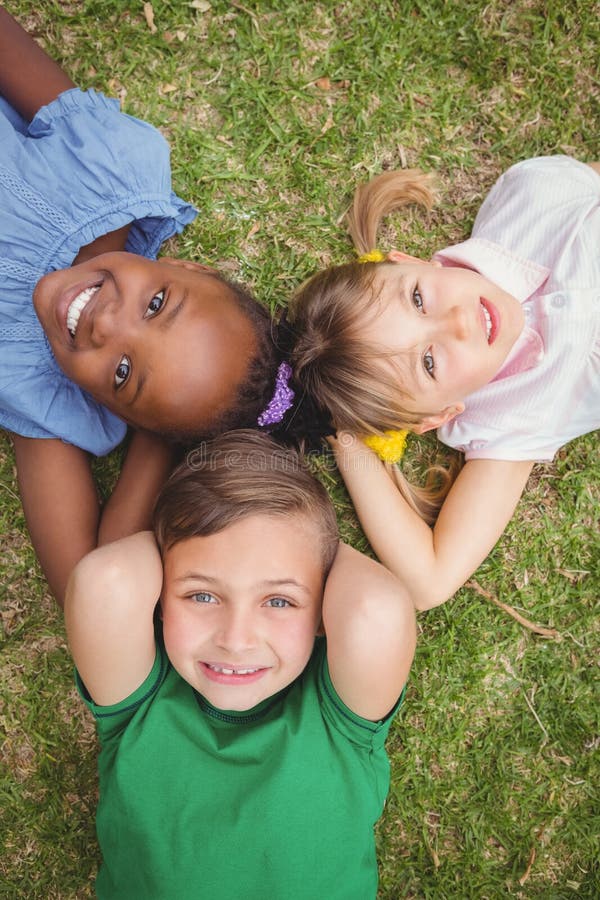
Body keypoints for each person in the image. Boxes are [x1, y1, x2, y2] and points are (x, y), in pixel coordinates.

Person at [64, 429, 416, 899]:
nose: (235, 640)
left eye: (279, 601)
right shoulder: (138, 706)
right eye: (202, 595)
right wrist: (178, 537)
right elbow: (105, 581)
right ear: (160, 596)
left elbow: (377, 609)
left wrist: (313, 542)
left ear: (323, 610)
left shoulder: (339, 723)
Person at [0, 8, 277, 604]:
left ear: (108, 407)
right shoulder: (107, 175)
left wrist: (163, 433)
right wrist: (151, 407)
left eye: (125, 373)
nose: (106, 323)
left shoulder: (36, 386)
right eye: (156, 304)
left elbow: (87, 589)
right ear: (188, 267)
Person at [264, 158, 600, 611]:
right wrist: (342, 433)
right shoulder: (514, 416)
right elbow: (429, 581)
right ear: (438, 415)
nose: (459, 320)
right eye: (428, 363)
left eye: (418, 298)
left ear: (408, 261)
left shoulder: (532, 195)